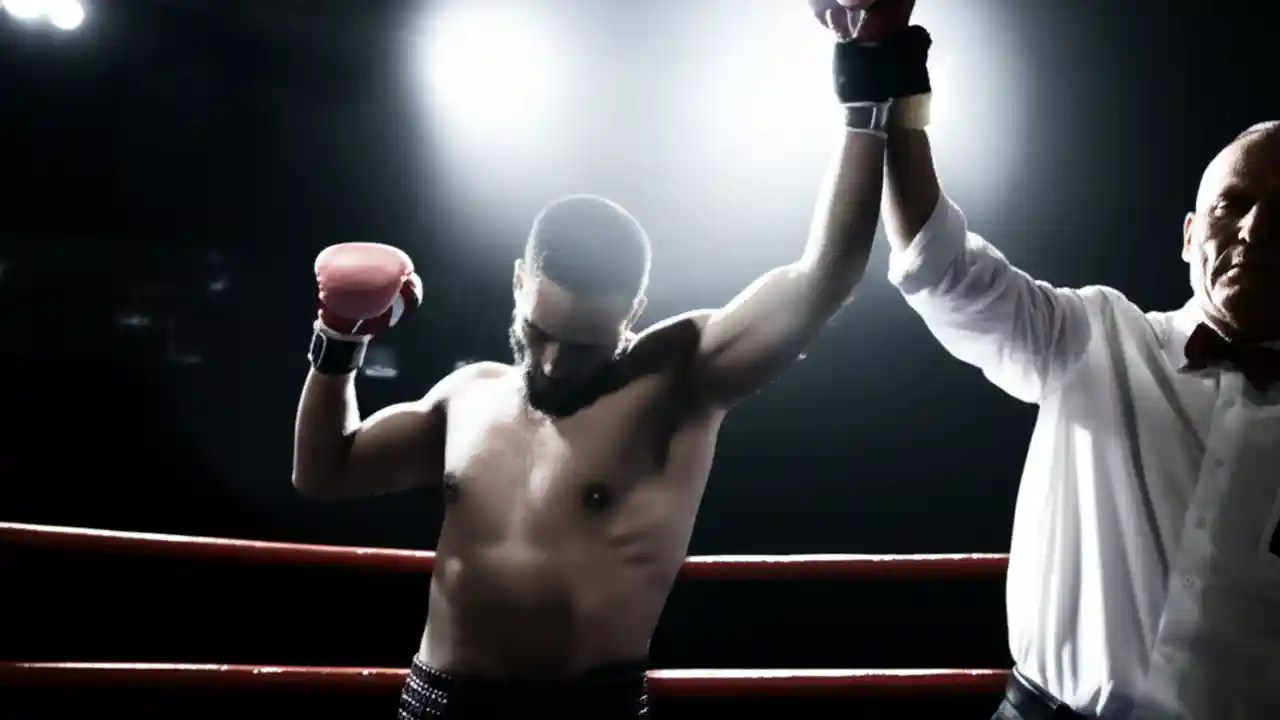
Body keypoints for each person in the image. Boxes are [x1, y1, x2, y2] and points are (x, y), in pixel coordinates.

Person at [291, 4, 897, 715]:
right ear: (520, 281)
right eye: (540, 330)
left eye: (583, 346)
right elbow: (323, 473)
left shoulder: (678, 379)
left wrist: (870, 79)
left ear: (630, 316)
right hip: (439, 701)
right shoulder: (469, 396)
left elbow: (827, 276)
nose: (551, 362)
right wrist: (339, 343)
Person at [815, 1, 1280, 718]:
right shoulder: (1097, 333)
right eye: (1232, 205)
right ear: (1189, 235)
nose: (1253, 230)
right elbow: (939, 266)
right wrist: (890, 61)